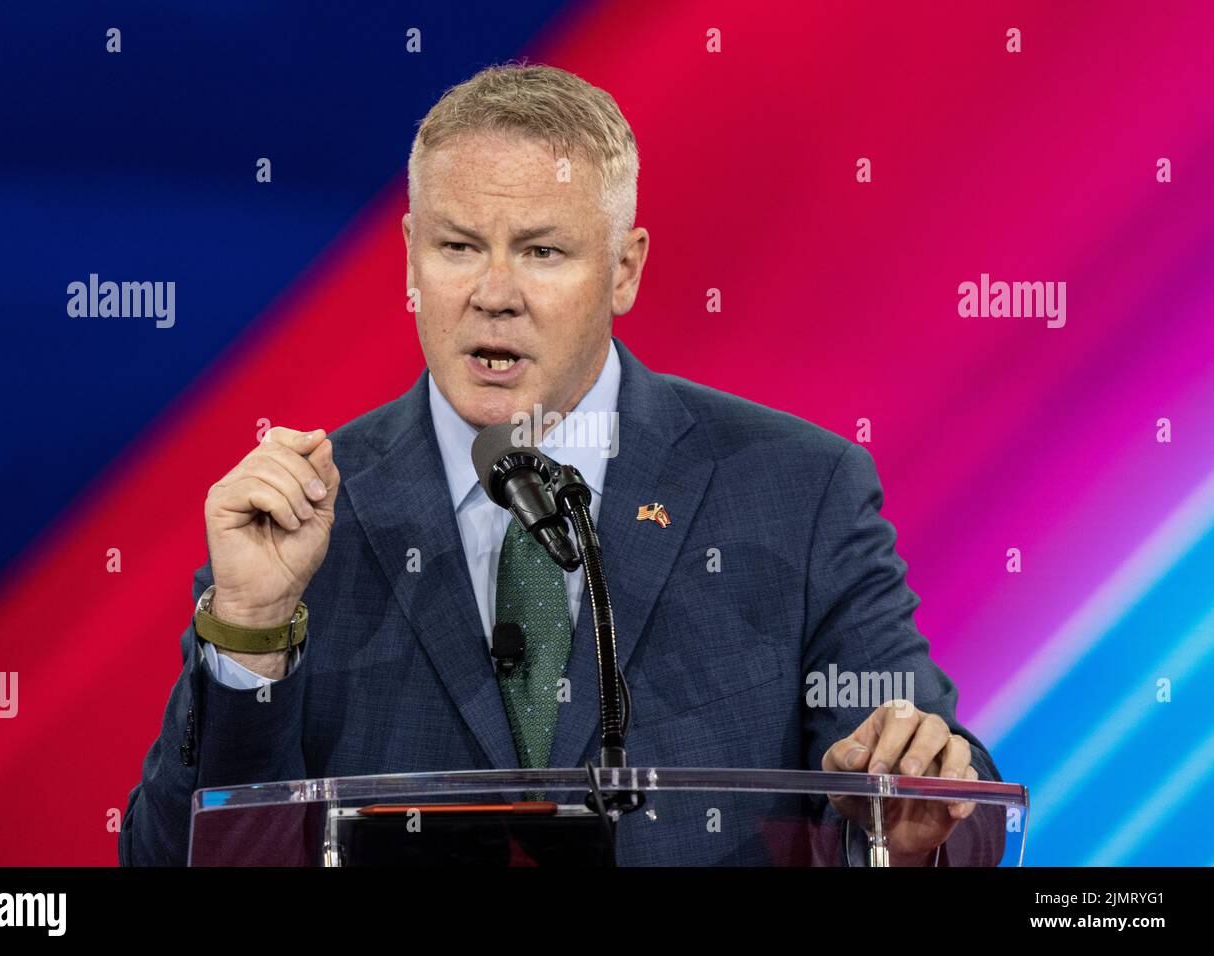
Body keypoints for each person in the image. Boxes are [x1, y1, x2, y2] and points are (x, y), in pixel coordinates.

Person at [120, 62, 1004, 867]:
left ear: (625, 270)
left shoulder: (797, 492)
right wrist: (248, 629)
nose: (493, 292)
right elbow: (169, 861)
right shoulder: (306, 515)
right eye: (458, 246)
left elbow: (947, 802)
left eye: (542, 252)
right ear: (408, 261)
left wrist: (919, 812)